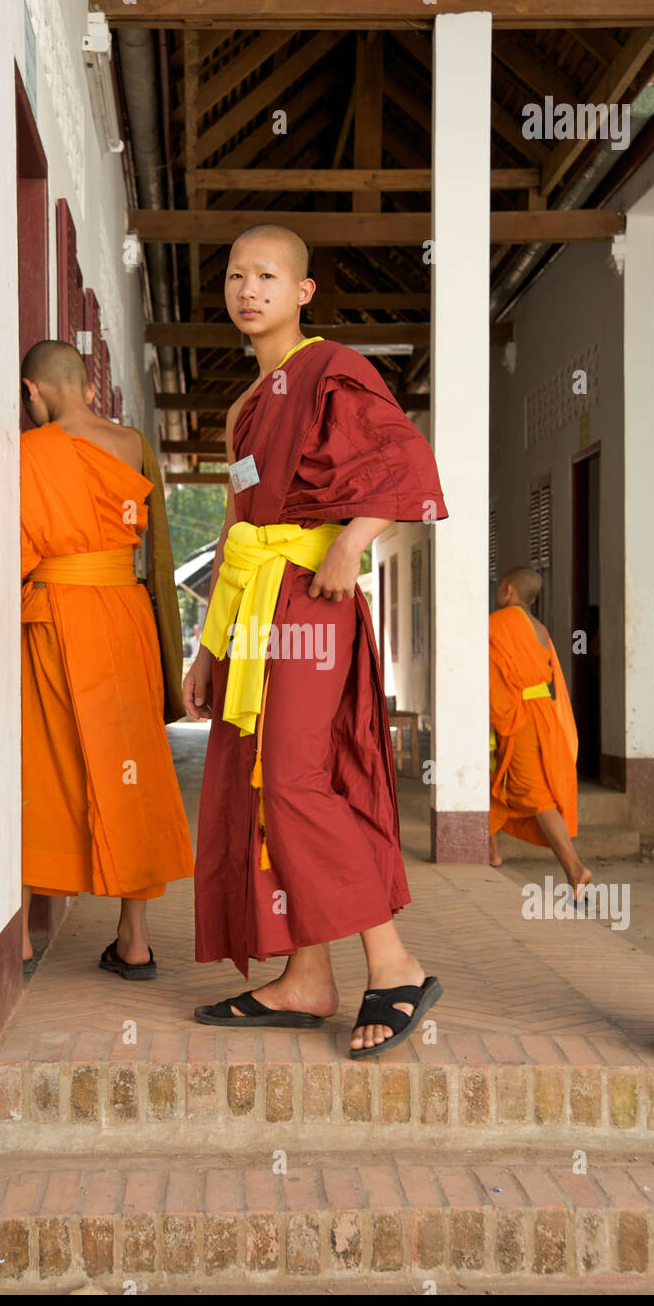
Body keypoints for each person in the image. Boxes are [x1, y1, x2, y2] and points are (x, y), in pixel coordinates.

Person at [183, 224, 448, 1057]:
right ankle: (306, 976)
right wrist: (209, 645)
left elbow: (407, 461)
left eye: (267, 275)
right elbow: (236, 527)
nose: (247, 289)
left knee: (296, 779)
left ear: (302, 292)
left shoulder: (335, 368)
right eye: (235, 275)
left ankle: (394, 963)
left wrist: (349, 542)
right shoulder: (245, 408)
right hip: (256, 606)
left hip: (312, 595)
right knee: (265, 782)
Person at [20, 340, 193, 978]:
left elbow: (15, 550)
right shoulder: (131, 445)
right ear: (90, 388)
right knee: (134, 763)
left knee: (45, 762)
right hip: (125, 614)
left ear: (33, 393)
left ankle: (16, 937)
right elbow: (152, 540)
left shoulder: (30, 453)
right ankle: (135, 940)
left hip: (58, 618)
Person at [488, 566, 592, 902]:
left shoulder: (498, 623)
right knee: (496, 778)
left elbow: (485, 670)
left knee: (536, 795)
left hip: (520, 717)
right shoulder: (540, 629)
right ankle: (491, 853)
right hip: (544, 714)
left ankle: (575, 868)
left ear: (507, 591)